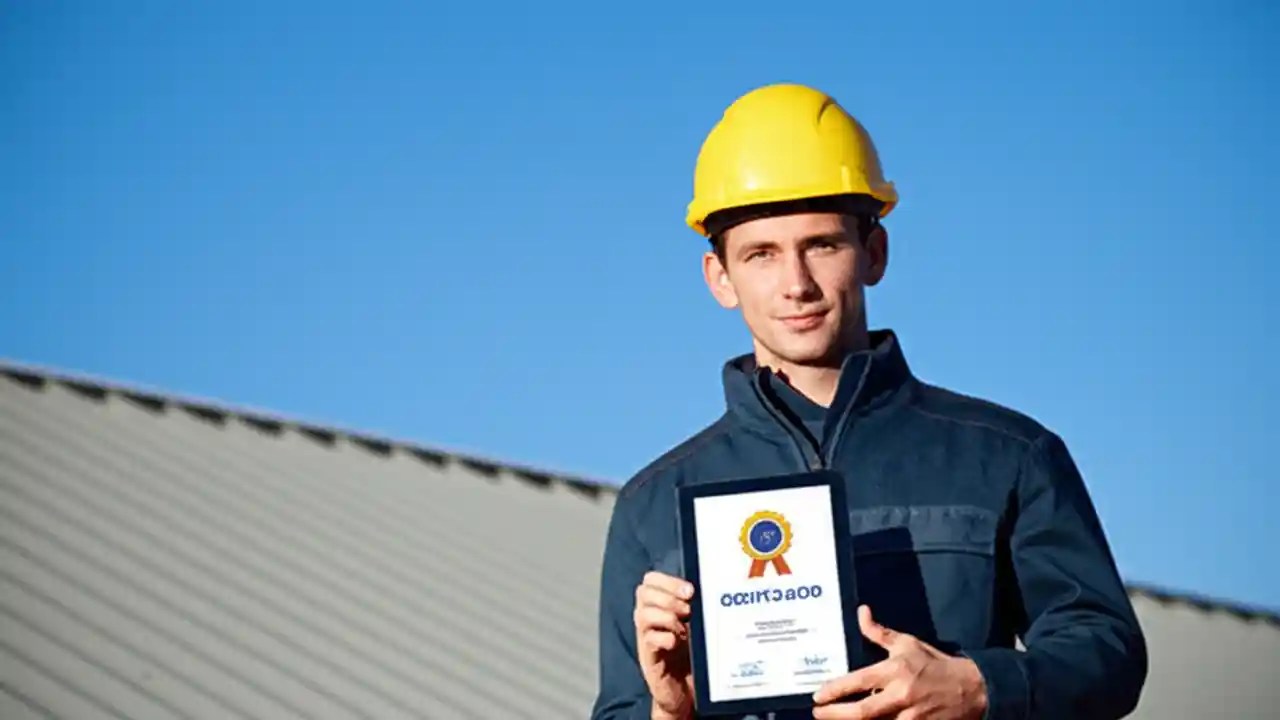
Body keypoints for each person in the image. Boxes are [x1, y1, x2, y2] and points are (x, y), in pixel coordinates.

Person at [590, 83, 1147, 720]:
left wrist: (978, 686)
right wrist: (671, 712)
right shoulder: (651, 506)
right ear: (720, 277)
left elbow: (1108, 654)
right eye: (761, 255)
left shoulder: (1010, 456)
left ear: (874, 253)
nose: (796, 284)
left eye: (821, 245)